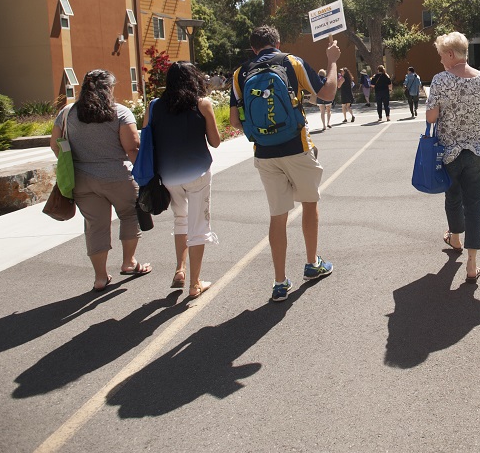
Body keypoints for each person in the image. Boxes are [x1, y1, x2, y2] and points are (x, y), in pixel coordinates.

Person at [230, 26, 340, 302]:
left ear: (253, 48)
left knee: (277, 216)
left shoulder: (240, 73)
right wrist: (332, 59)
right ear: (277, 42)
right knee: (309, 204)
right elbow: (327, 94)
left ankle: (280, 282)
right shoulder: (291, 61)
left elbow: (234, 122)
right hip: (297, 146)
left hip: (264, 153)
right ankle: (312, 263)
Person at [50, 69, 147, 292]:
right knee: (130, 215)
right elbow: (132, 148)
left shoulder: (67, 112)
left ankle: (100, 277)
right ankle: (129, 262)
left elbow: (55, 144)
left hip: (83, 180)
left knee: (95, 226)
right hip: (118, 177)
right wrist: (145, 174)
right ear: (109, 88)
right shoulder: (120, 112)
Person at [424, 32, 480, 283]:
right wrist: (473, 114)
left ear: (450, 54)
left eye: (441, 56)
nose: (440, 61)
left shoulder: (440, 80)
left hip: (450, 151)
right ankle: (472, 264)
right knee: (474, 204)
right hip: (478, 151)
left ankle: (455, 238)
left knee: (453, 196)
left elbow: (431, 118)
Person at [149, 62, 222, 299]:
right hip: (197, 171)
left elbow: (148, 138)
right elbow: (215, 141)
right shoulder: (202, 104)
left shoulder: (154, 107)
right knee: (198, 224)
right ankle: (195, 283)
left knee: (180, 219)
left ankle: (179, 270)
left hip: (168, 175)